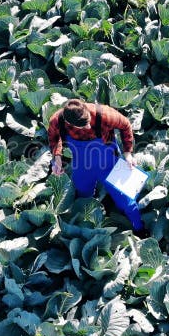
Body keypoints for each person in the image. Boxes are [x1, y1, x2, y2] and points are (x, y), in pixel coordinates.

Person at [47, 98, 146, 234]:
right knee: (83, 197)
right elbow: (54, 138)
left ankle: (140, 229)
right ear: (68, 122)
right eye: (82, 125)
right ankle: (85, 227)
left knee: (126, 201)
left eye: (87, 121)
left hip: (109, 163)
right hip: (82, 165)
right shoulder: (57, 121)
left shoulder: (105, 114)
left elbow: (126, 125)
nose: (88, 127)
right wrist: (57, 158)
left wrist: (128, 153)